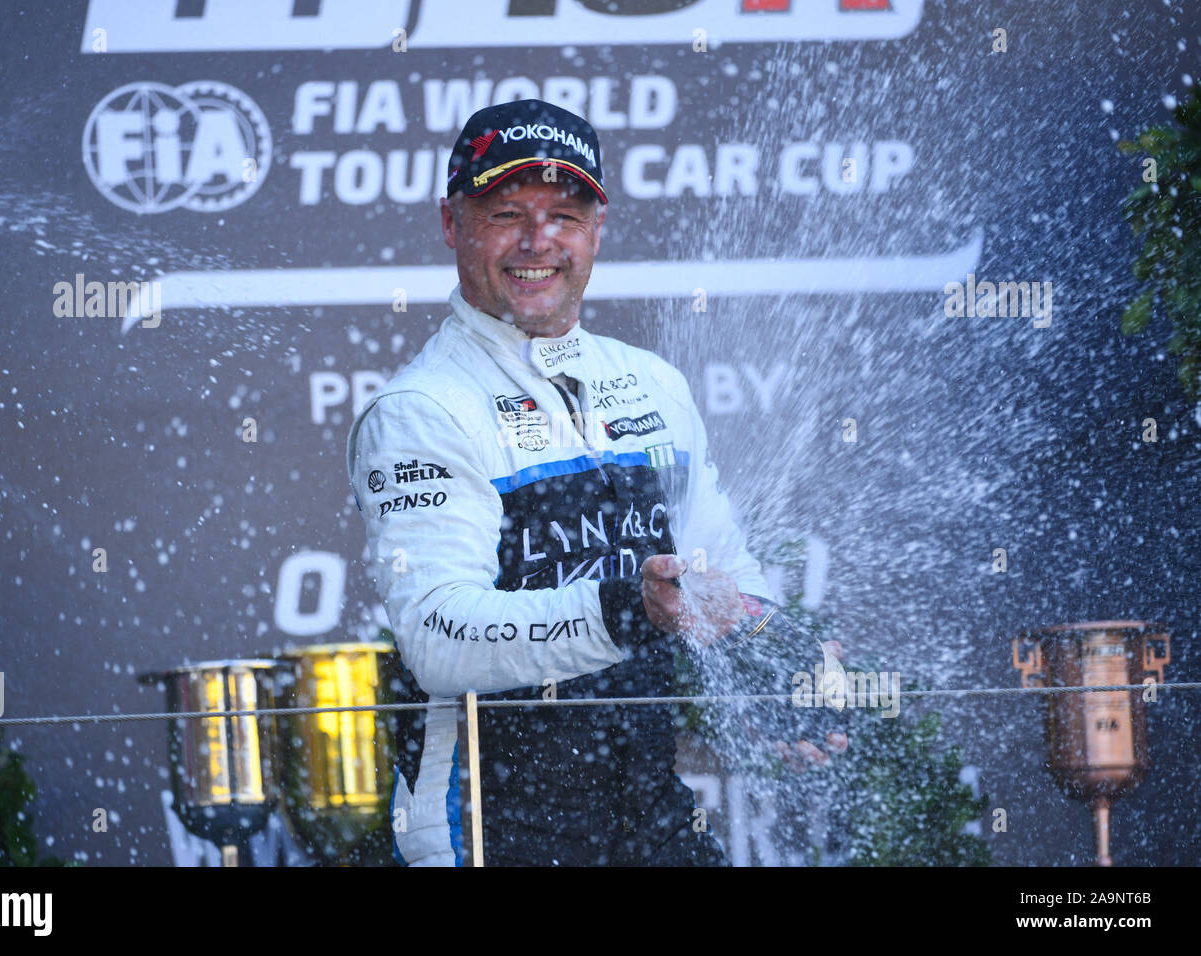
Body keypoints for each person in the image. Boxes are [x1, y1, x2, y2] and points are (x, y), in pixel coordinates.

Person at [347, 100, 843, 866]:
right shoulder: (421, 409)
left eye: (565, 215)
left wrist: (775, 676)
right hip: (488, 827)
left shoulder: (652, 385)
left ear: (597, 231)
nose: (537, 241)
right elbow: (438, 639)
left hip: (651, 814)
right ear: (452, 224)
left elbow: (721, 576)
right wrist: (626, 607)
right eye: (507, 212)